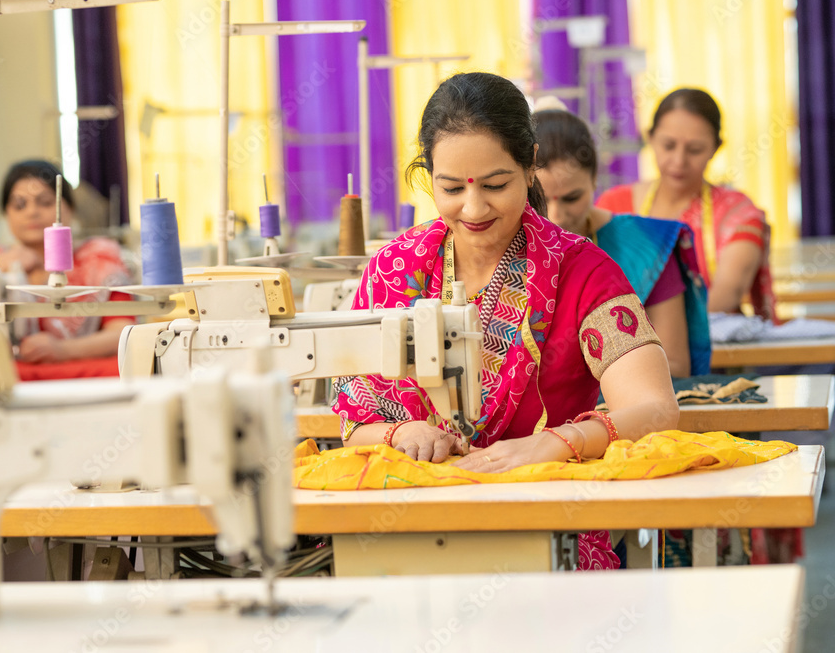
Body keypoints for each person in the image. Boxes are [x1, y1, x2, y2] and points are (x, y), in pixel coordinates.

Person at [331, 72, 679, 569]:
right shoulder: (396, 268)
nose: (472, 208)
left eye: (495, 185)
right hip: (404, 521)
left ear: (530, 163)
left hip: (543, 523)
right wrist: (400, 434)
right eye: (451, 188)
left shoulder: (581, 271)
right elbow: (352, 421)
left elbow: (656, 412)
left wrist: (555, 442)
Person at [533, 105, 711, 378]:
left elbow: (674, 365)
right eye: (540, 201)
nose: (556, 216)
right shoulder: (497, 250)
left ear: (595, 181)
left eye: (572, 198)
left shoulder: (648, 247)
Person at [595, 88, 776, 322]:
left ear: (716, 147)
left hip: (715, 354)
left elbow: (726, 296)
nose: (679, 161)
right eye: (669, 146)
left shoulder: (738, 215)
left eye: (695, 150)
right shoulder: (613, 207)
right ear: (650, 138)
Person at [0, 160, 133, 364]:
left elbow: (124, 331)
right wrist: (3, 272)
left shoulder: (99, 260)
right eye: (20, 205)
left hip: (85, 377)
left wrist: (64, 350)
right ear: (6, 213)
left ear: (70, 208)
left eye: (45, 202)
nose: (32, 212)